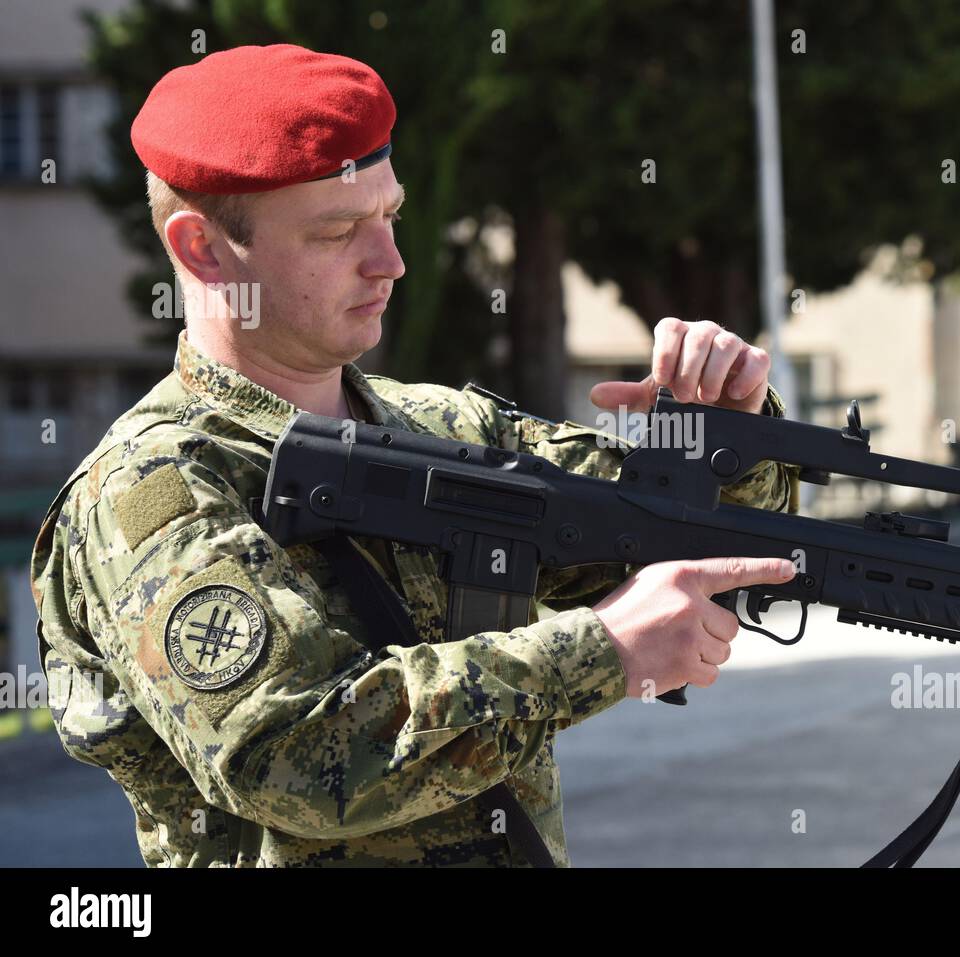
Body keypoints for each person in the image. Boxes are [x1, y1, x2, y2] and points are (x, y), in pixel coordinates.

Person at [28, 44, 801, 867]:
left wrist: (725, 436)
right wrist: (600, 651)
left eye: (389, 215)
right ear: (204, 249)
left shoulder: (445, 426)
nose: (390, 261)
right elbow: (288, 754)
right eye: (338, 231)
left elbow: (703, 541)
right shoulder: (152, 487)